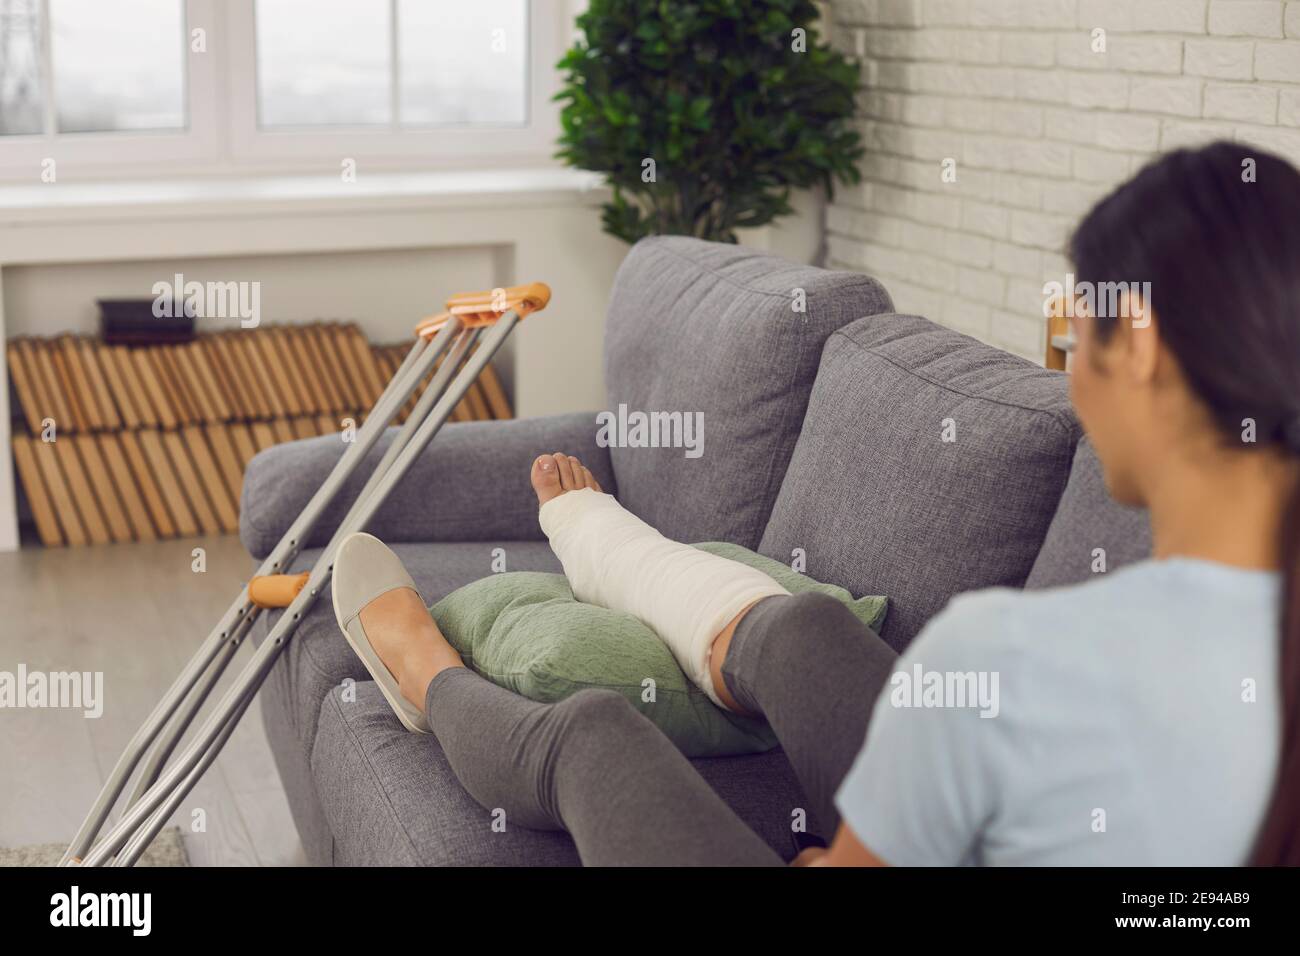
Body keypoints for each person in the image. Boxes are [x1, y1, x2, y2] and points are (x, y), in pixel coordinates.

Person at [331, 142, 1300, 866]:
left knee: (592, 731)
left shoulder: (1012, 655)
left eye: (1073, 324)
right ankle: (615, 552)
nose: (1070, 368)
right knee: (801, 627)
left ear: (1131, 344)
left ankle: (425, 673)